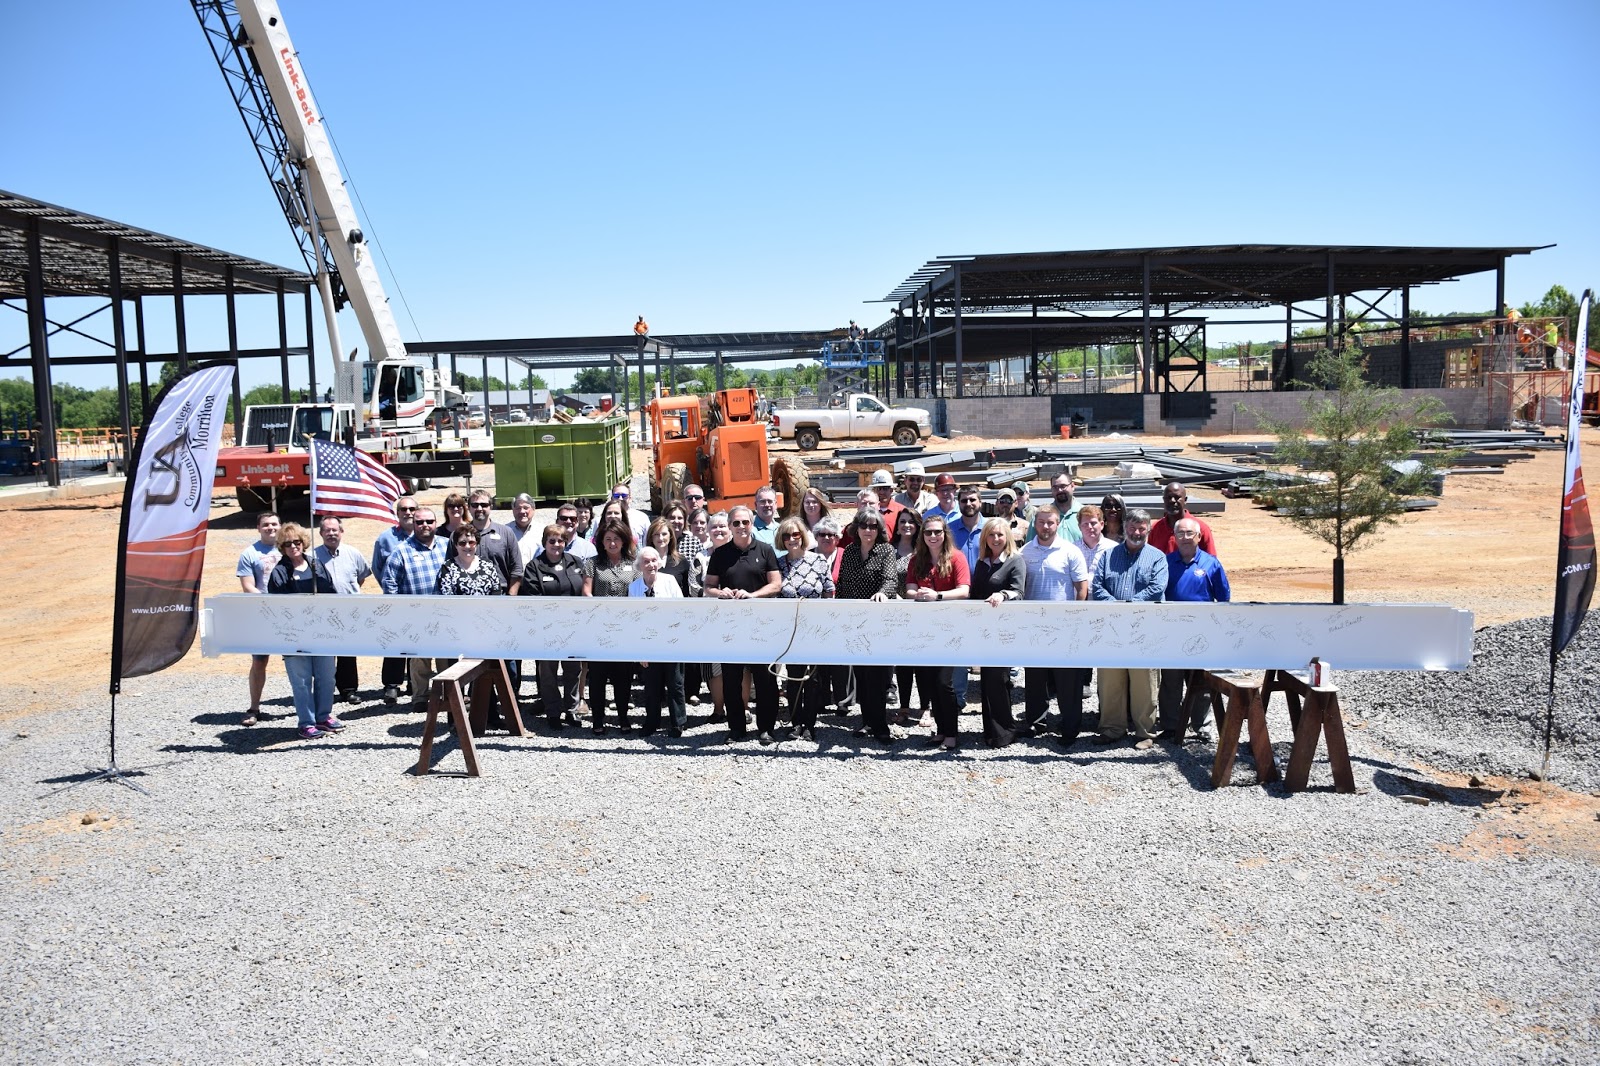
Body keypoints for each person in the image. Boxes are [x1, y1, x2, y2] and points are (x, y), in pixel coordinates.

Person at [704, 505, 783, 744]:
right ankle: (736, 728)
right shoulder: (720, 554)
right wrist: (721, 593)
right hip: (730, 627)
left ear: (752, 524)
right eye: (736, 523)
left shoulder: (765, 550)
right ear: (730, 526)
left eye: (745, 522)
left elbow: (776, 584)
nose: (741, 527)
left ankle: (766, 728)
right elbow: (708, 587)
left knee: (765, 679)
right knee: (731, 680)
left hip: (761, 625)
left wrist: (753, 595)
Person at [1091, 508, 1168, 750]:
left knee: (1145, 683)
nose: (1136, 532)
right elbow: (1097, 586)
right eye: (1132, 528)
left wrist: (1130, 606)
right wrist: (1117, 608)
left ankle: (1145, 732)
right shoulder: (1108, 555)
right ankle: (1111, 728)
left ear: (1148, 530)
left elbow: (1157, 587)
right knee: (1110, 682)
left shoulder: (1157, 557)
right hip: (1112, 629)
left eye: (1141, 528)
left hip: (1144, 629)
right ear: (1125, 528)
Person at [1018, 505, 1090, 745]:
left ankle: (1070, 726)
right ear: (1035, 524)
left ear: (1058, 524)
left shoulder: (1071, 551)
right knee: (1035, 679)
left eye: (1050, 522)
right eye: (1041, 522)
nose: (1045, 527)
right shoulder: (1025, 552)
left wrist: (1075, 617)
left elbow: (1081, 588)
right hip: (1034, 625)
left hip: (1064, 626)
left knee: (1067, 680)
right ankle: (1036, 723)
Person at [1158, 517, 1232, 742]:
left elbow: (1224, 598)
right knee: (1170, 681)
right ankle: (1170, 725)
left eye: (1190, 533)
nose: (1185, 538)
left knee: (1201, 681)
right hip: (1172, 631)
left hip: (1202, 633)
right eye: (1180, 533)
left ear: (1199, 537)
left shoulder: (1211, 564)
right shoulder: (1165, 563)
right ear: (1174, 537)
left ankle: (1201, 725)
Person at [266, 522, 342, 740]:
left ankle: (323, 716)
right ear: (282, 547)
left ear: (304, 543)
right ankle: (306, 723)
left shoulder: (316, 565)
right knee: (301, 682)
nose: (293, 547)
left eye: (297, 542)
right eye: (287, 544)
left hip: (321, 633)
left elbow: (331, 593)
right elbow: (278, 607)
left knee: (326, 677)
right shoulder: (279, 572)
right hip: (295, 636)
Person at [903, 513, 971, 752]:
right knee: (930, 683)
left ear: (945, 534)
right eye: (928, 532)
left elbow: (964, 590)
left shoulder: (957, 557)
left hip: (950, 628)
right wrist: (920, 594)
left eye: (937, 532)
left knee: (944, 682)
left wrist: (937, 596)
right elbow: (909, 590)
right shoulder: (916, 560)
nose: (933, 536)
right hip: (924, 629)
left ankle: (951, 733)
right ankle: (940, 730)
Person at [520, 522, 591, 728]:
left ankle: (571, 710)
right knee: (548, 673)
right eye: (552, 541)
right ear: (545, 542)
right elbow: (532, 598)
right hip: (547, 630)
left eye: (561, 540)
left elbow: (583, 591)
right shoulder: (534, 567)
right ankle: (552, 712)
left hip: (572, 628)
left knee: (573, 670)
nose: (557, 544)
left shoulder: (575, 562)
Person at [379, 506, 450, 711]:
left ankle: (448, 695)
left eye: (429, 521)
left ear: (436, 523)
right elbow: (390, 584)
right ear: (414, 524)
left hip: (445, 615)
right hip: (415, 616)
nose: (425, 525)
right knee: (420, 660)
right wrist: (398, 613)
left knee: (446, 659)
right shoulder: (401, 551)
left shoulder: (447, 545)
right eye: (420, 522)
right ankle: (420, 697)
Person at [837, 512, 898, 744]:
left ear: (879, 529)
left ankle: (880, 725)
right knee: (861, 675)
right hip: (854, 621)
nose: (868, 530)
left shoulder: (886, 551)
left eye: (873, 526)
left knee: (878, 676)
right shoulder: (849, 551)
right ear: (857, 528)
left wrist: (882, 593)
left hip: (877, 622)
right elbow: (842, 584)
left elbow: (890, 580)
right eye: (864, 525)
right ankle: (867, 721)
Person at [774, 516, 835, 741]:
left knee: (813, 678)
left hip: (815, 627)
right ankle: (795, 721)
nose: (792, 539)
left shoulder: (818, 560)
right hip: (791, 628)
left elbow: (829, 590)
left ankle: (810, 723)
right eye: (787, 536)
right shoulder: (779, 564)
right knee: (794, 676)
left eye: (796, 534)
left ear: (803, 536)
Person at [971, 518, 1027, 748]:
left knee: (999, 679)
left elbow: (1019, 592)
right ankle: (991, 731)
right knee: (987, 680)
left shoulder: (1015, 561)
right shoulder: (982, 562)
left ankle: (1004, 732)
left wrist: (1003, 595)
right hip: (984, 629)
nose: (995, 539)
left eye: (1000, 535)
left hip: (1004, 629)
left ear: (1007, 537)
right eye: (991, 535)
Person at [313, 515, 372, 704]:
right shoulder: (312, 557)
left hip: (349, 612)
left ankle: (349, 690)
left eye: (335, 530)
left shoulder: (353, 553)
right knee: (325, 654)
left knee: (347, 652)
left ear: (341, 532)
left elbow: (361, 577)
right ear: (321, 533)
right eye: (327, 530)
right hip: (324, 613)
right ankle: (325, 691)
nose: (331, 533)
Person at [629, 546, 687, 737]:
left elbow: (681, 611)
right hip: (648, 644)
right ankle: (651, 722)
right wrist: (640, 652)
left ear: (659, 563)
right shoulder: (634, 587)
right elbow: (634, 621)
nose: (651, 565)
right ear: (640, 565)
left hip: (671, 641)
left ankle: (678, 723)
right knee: (652, 687)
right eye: (646, 561)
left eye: (654, 560)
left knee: (675, 684)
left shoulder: (669, 581)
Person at [589, 517, 638, 734]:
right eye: (608, 539)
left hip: (624, 630)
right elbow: (587, 592)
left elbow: (637, 592)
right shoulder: (592, 563)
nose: (612, 543)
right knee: (598, 677)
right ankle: (597, 719)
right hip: (599, 629)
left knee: (622, 677)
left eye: (616, 539)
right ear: (601, 541)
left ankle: (623, 717)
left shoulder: (633, 564)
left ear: (624, 540)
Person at [371, 496, 418, 705]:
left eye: (412, 509)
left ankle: (414, 683)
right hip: (395, 600)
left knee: (417, 642)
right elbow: (377, 567)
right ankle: (391, 684)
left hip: (417, 600)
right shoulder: (386, 538)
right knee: (395, 641)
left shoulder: (423, 535)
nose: (408, 513)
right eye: (403, 509)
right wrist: (389, 590)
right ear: (397, 513)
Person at [236, 510, 281, 726]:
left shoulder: (290, 548)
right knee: (259, 661)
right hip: (262, 615)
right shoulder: (250, 554)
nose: (270, 528)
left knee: (299, 662)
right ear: (258, 528)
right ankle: (254, 708)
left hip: (289, 614)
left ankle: (306, 710)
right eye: (266, 525)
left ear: (280, 526)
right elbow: (248, 586)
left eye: (274, 524)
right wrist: (269, 602)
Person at [890, 507, 925, 723]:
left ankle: (925, 707)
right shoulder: (889, 550)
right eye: (902, 521)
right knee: (902, 662)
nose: (906, 525)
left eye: (911, 522)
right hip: (896, 611)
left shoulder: (923, 550)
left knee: (922, 663)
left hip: (920, 611)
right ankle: (903, 707)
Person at [1148, 482, 1219, 557]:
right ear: (1163, 500)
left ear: (1185, 500)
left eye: (1177, 497)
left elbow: (1211, 561)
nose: (1172, 500)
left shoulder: (1200, 528)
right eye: (1168, 497)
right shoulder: (1155, 528)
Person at [437, 524, 509, 597]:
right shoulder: (447, 568)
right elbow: (447, 597)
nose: (467, 546)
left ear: (477, 544)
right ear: (456, 545)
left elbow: (496, 592)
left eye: (471, 542)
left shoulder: (488, 565)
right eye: (462, 543)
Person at [1034, 473, 1083, 544]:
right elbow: (1030, 546)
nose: (1059, 490)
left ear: (1072, 486)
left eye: (1063, 486)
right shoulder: (1040, 516)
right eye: (1055, 487)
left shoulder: (1085, 514)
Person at [509, 492, 540, 559]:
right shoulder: (505, 531)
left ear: (533, 509)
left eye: (526, 508)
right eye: (518, 508)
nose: (522, 511)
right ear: (513, 510)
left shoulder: (542, 531)